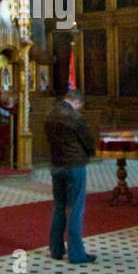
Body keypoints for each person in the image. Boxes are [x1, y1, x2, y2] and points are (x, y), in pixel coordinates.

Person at [44, 88, 98, 263]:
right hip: (74, 165)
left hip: (56, 164)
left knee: (59, 206)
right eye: (79, 106)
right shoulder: (75, 117)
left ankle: (56, 249)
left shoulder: (50, 114)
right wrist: (90, 153)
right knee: (76, 208)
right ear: (76, 102)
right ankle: (76, 254)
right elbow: (89, 141)